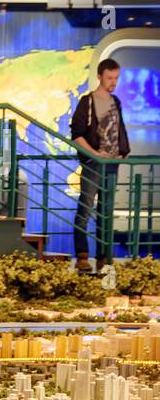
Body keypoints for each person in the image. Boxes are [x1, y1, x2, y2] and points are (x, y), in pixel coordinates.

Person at [71, 58, 131, 273]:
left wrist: (123, 152)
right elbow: (76, 134)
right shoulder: (87, 101)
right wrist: (95, 154)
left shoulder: (116, 102)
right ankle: (82, 255)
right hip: (94, 164)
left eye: (116, 78)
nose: (113, 82)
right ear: (99, 76)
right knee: (85, 208)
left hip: (112, 165)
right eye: (109, 78)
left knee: (106, 211)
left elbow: (119, 130)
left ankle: (103, 257)